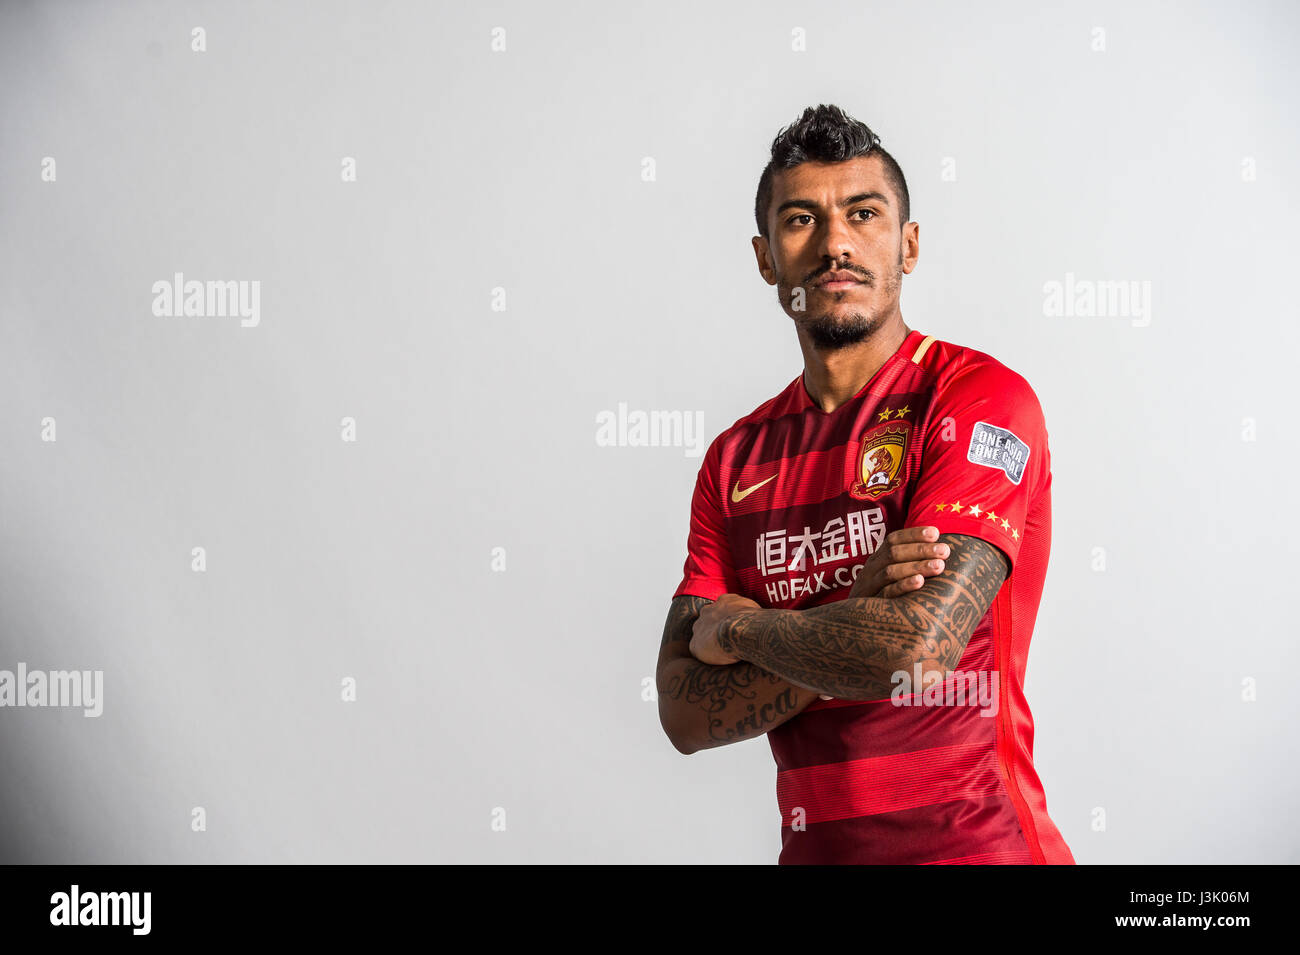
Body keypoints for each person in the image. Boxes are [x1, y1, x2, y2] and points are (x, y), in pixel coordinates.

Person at [655, 104, 1074, 865]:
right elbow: (683, 711)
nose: (835, 242)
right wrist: (855, 618)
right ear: (765, 257)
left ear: (908, 244)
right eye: (801, 220)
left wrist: (741, 629)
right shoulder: (735, 458)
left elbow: (915, 654)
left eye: (864, 213)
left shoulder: (976, 398)